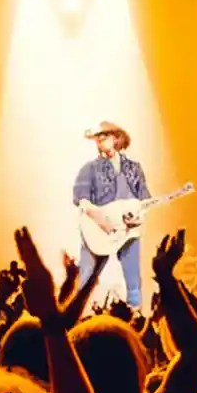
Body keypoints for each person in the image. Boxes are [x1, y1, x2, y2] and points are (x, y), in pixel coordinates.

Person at [73, 122, 151, 309]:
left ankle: (135, 316)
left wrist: (138, 218)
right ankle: (79, 318)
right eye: (97, 138)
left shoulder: (134, 168)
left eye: (104, 136)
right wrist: (102, 220)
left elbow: (144, 200)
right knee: (86, 278)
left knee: (133, 281)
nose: (100, 140)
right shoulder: (89, 169)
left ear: (117, 138)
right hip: (97, 230)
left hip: (127, 231)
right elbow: (82, 200)